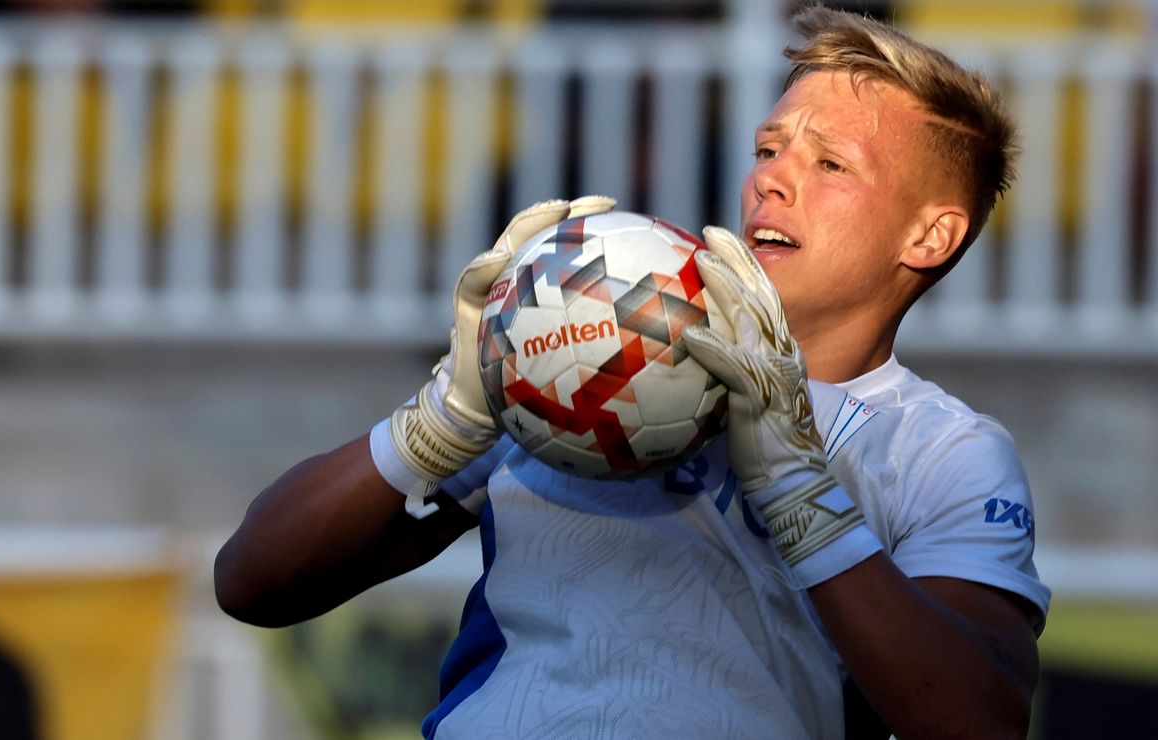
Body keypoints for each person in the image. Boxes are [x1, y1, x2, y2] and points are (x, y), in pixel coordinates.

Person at [215, 6, 1049, 739]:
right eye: (769, 147)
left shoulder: (944, 451)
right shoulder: (586, 351)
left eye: (829, 165)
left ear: (930, 237)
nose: (771, 179)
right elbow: (252, 581)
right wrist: (443, 418)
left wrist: (799, 493)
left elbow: (977, 720)